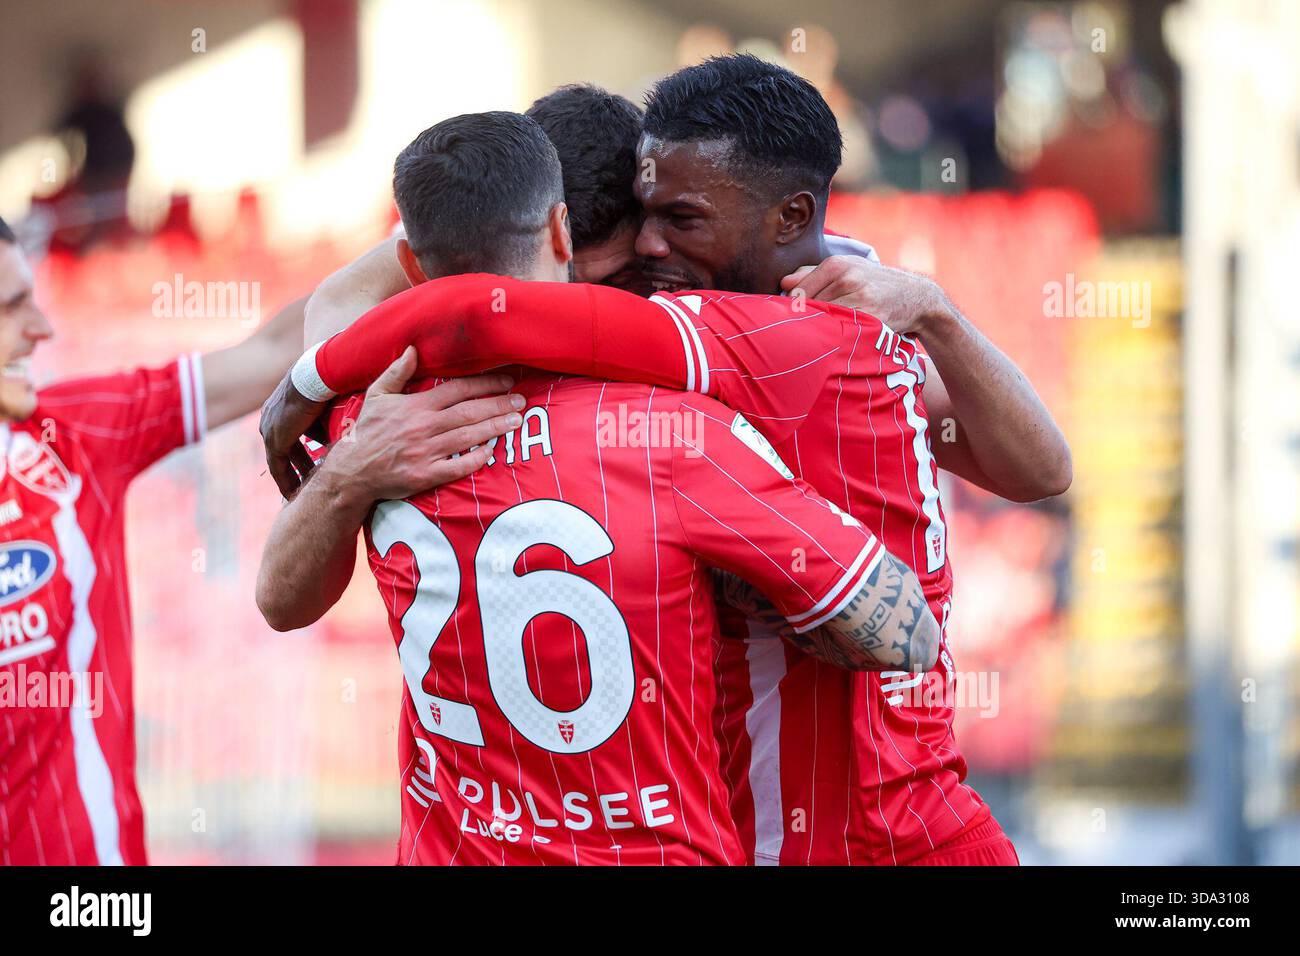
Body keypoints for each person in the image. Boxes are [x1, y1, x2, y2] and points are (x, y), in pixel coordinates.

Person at [264, 60, 1069, 864]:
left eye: (676, 224)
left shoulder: (789, 331)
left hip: (861, 821)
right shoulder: (773, 324)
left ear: (784, 218)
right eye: (642, 225)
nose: (649, 252)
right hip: (818, 810)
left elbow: (1039, 471)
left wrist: (938, 313)